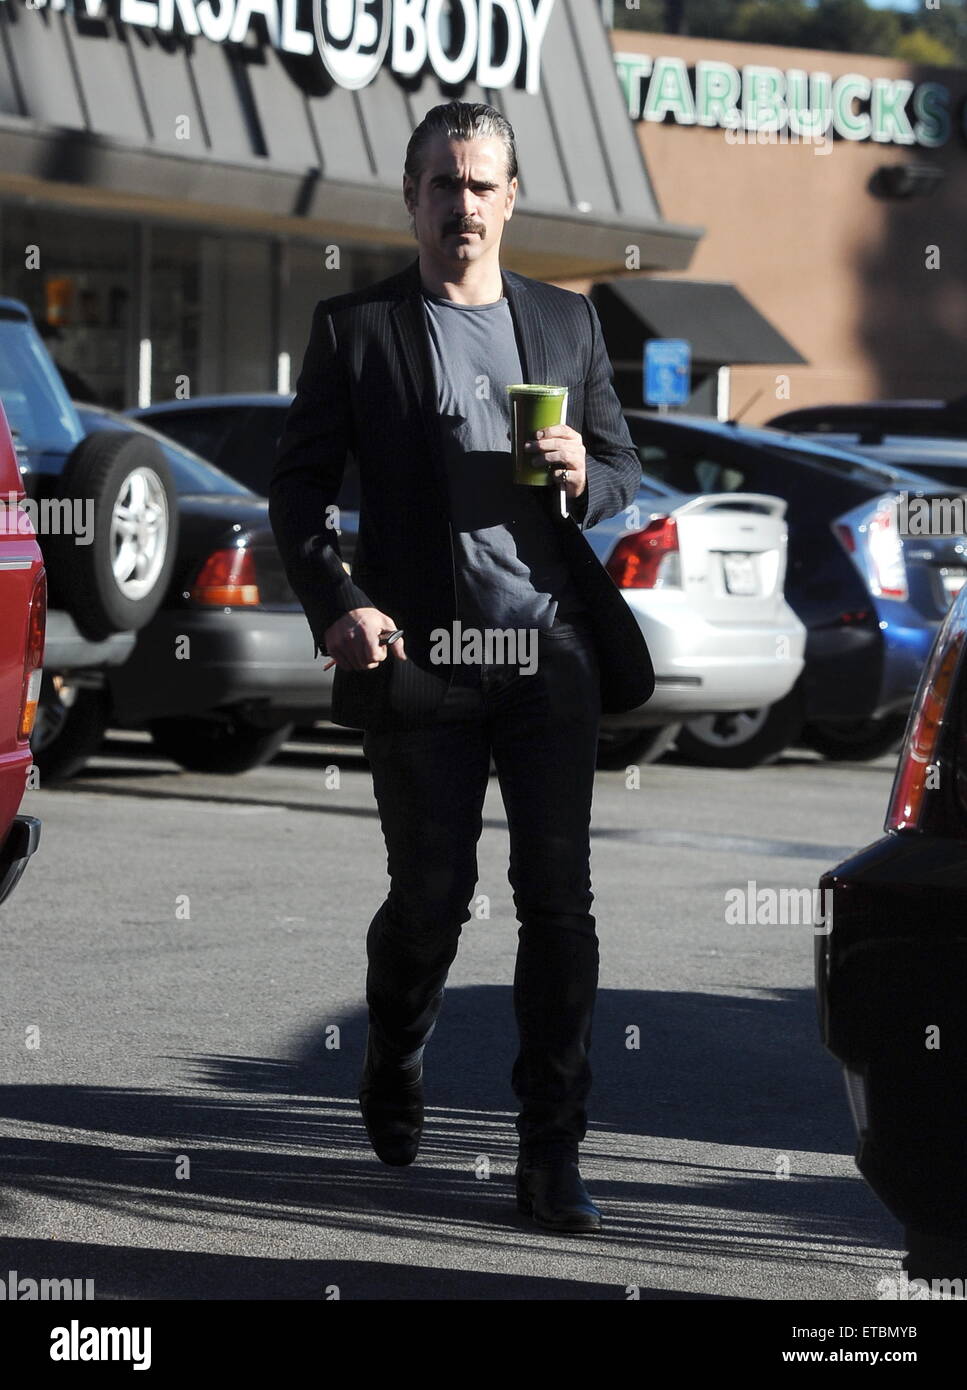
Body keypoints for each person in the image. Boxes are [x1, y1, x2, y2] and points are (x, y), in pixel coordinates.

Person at [269, 100, 653, 1233]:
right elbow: (297, 492)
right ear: (412, 199)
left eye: (481, 183)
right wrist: (339, 600)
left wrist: (585, 469)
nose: (462, 203)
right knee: (429, 901)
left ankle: (550, 1152)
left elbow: (628, 470)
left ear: (511, 198)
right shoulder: (358, 331)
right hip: (423, 660)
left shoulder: (568, 324)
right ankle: (395, 1052)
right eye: (442, 183)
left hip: (549, 653)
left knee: (559, 906)